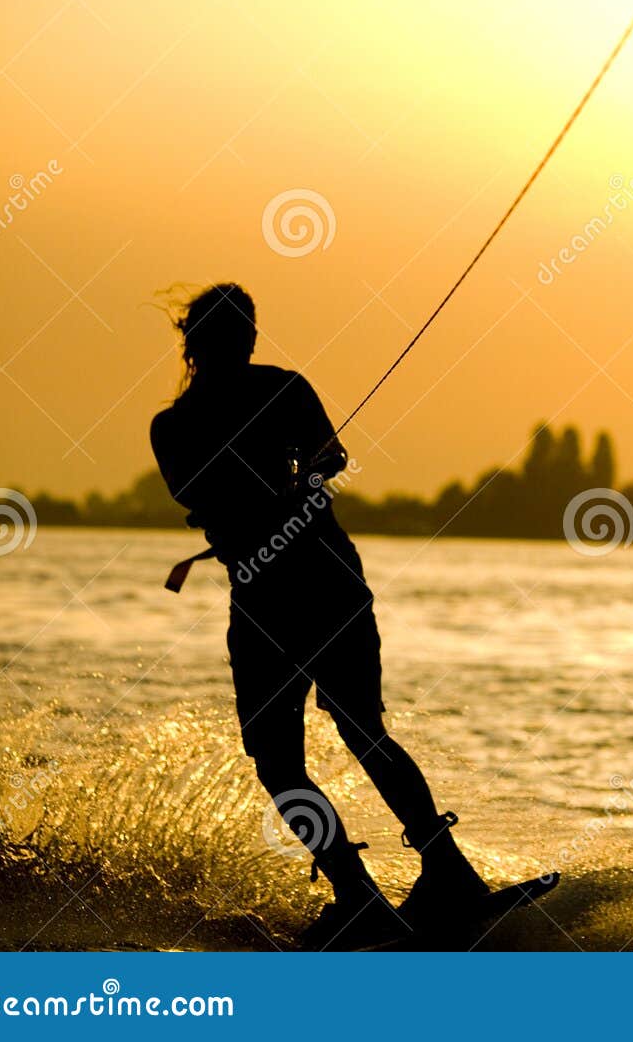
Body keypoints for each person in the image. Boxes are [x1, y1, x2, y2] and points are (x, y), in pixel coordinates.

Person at [149, 283, 492, 949]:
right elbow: (197, 494)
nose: (247, 342)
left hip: (318, 583)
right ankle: (362, 893)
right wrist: (265, 490)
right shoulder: (175, 427)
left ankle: (439, 872)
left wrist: (304, 479)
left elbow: (329, 457)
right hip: (273, 594)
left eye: (250, 331)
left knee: (356, 732)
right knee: (283, 758)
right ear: (201, 344)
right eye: (235, 333)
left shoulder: (285, 389)